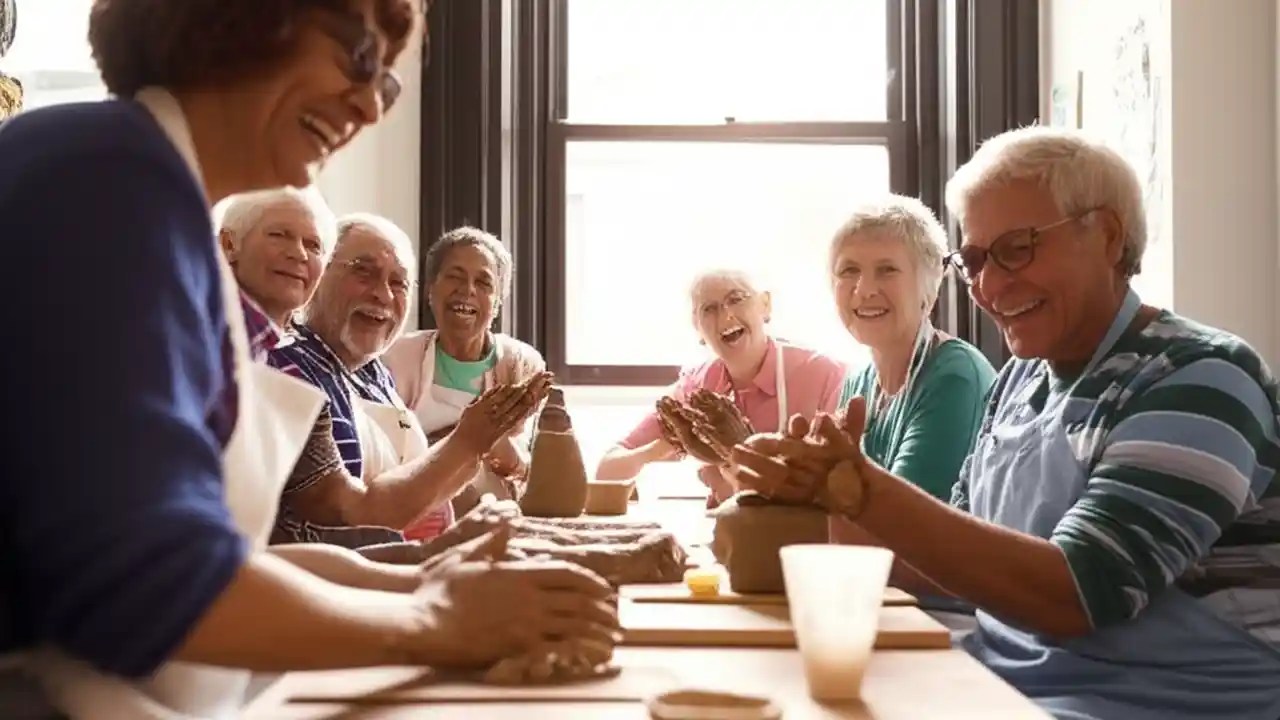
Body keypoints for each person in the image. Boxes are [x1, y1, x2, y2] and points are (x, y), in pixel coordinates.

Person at [0, 1, 616, 717]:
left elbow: (227, 555)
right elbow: (145, 584)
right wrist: (434, 622)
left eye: (385, 87)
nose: (370, 107)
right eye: (359, 58)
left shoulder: (152, 195)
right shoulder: (103, 183)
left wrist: (420, 580)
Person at [725, 126, 1280, 720]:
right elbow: (951, 566)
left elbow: (1077, 592)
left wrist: (861, 489)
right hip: (1007, 685)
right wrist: (812, 500)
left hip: (1155, 704)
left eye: (1018, 248)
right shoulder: (1019, 382)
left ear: (1109, 236)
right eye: (975, 260)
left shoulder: (1200, 378)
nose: (989, 285)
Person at [269, 214, 549, 542]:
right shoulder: (293, 369)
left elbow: (419, 483)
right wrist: (467, 442)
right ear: (319, 272)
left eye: (398, 282)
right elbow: (346, 521)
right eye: (363, 271)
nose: (383, 295)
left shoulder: (373, 373)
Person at [595, 268, 847, 505]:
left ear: (765, 305)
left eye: (736, 299)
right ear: (698, 328)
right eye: (709, 309)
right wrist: (666, 446)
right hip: (729, 533)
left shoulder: (824, 374)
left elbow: (845, 485)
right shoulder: (696, 387)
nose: (726, 316)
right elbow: (607, 471)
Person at [828, 196, 995, 503]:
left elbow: (899, 520)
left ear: (929, 287)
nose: (864, 289)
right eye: (848, 270)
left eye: (887, 270)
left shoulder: (955, 377)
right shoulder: (858, 381)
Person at [384, 226, 547, 504]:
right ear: (431, 290)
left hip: (497, 518)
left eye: (484, 283)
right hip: (415, 514)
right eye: (454, 277)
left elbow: (540, 475)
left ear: (496, 304)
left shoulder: (520, 366)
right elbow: (385, 460)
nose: (468, 290)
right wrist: (470, 440)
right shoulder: (396, 358)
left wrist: (501, 451)